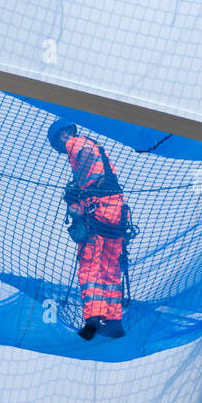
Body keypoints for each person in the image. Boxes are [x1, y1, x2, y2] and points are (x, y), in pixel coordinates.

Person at [48, 120, 132, 340]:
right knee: (110, 268)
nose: (60, 145)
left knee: (89, 265)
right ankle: (114, 321)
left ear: (63, 134)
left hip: (98, 210)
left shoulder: (76, 143)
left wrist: (79, 189)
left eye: (58, 140)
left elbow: (84, 158)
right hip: (117, 214)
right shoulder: (97, 148)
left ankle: (93, 318)